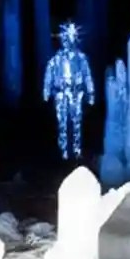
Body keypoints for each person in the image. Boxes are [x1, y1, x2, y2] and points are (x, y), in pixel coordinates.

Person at [43, 21, 95, 160]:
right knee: (62, 123)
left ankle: (77, 149)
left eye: (71, 37)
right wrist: (46, 91)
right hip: (60, 92)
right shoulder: (56, 59)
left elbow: (87, 75)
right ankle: (64, 151)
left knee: (76, 122)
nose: (68, 40)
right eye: (66, 37)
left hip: (76, 92)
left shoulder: (81, 58)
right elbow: (49, 74)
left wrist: (91, 93)